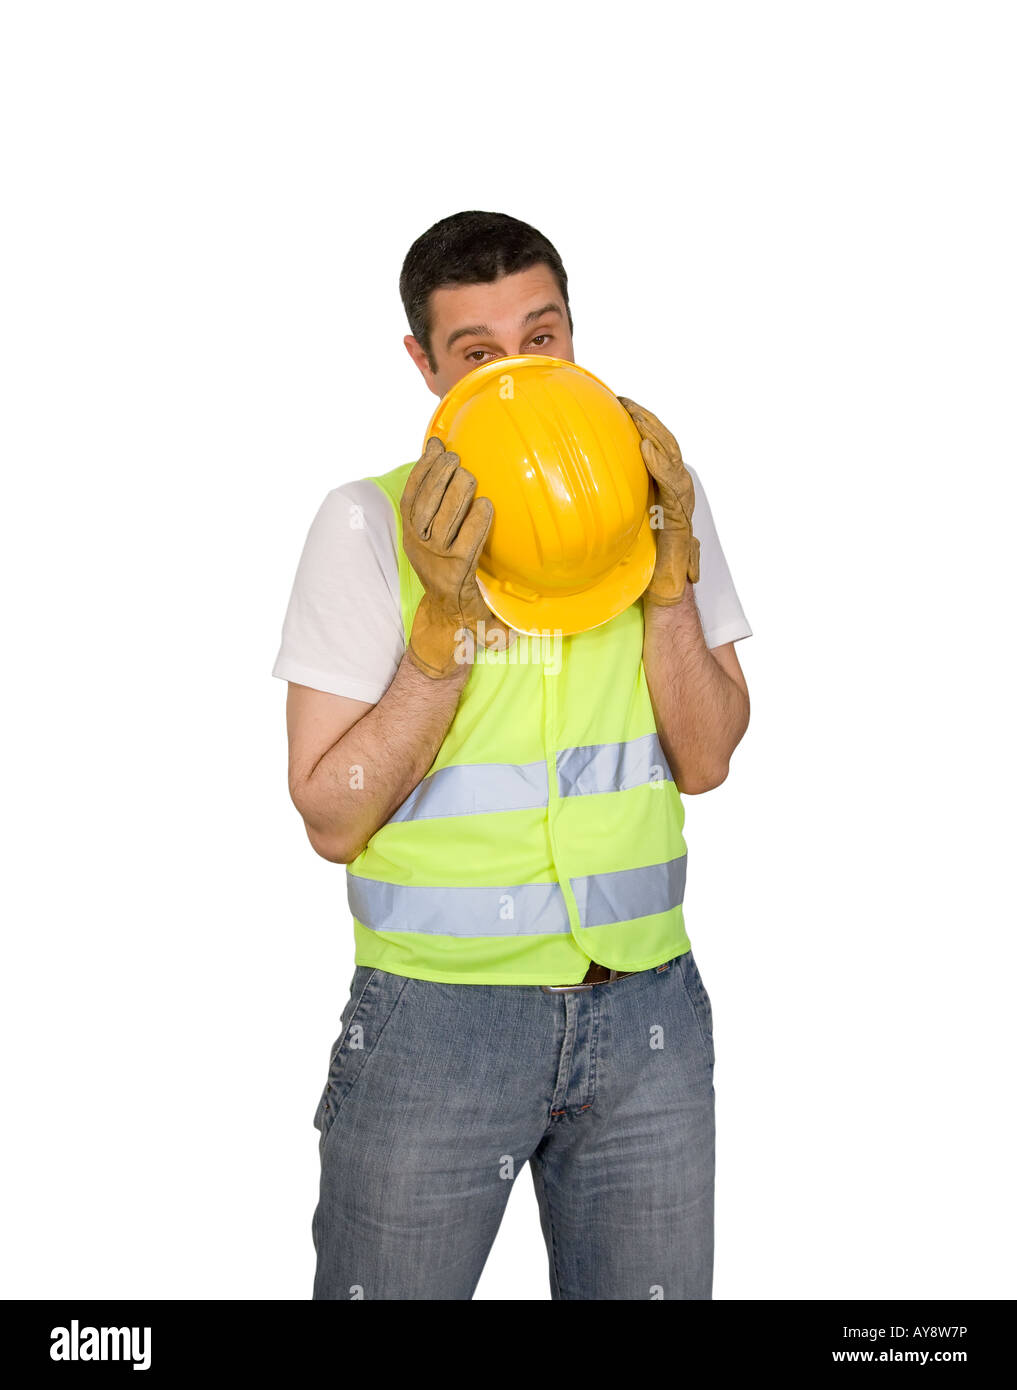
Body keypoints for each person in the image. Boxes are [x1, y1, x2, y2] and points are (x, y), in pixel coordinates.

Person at [271, 210, 752, 1300]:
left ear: (575, 333)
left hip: (648, 1015)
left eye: (542, 341)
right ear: (425, 368)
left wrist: (667, 579)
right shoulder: (364, 526)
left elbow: (709, 757)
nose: (520, 376)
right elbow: (331, 815)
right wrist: (439, 641)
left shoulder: (661, 498)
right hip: (437, 1026)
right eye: (478, 355)